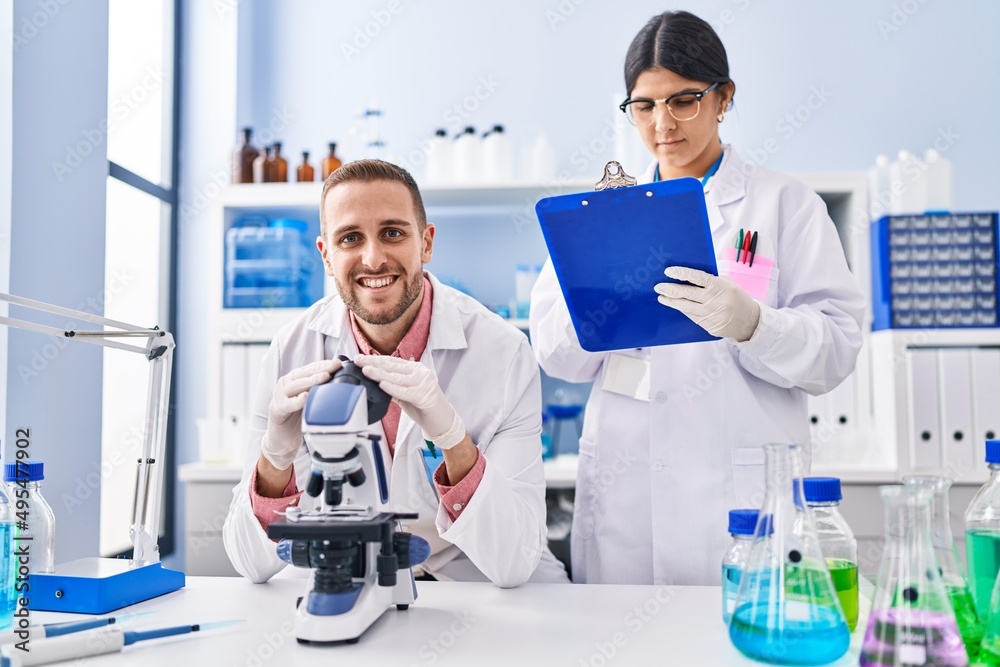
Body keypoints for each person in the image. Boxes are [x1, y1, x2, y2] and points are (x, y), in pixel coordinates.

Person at [530, 10, 866, 585]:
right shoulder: (604, 211)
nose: (663, 123)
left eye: (683, 100)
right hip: (625, 500)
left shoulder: (784, 206)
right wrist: (595, 300)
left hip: (737, 499)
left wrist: (755, 324)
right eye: (645, 105)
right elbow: (558, 355)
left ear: (723, 97)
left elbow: (835, 348)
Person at [224, 159, 568, 586]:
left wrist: (454, 442)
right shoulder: (290, 352)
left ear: (425, 244)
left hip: (473, 583)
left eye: (392, 233)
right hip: (351, 577)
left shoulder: (504, 352)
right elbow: (251, 564)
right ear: (326, 256)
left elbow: (513, 562)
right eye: (350, 238)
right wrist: (274, 458)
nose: (373, 259)